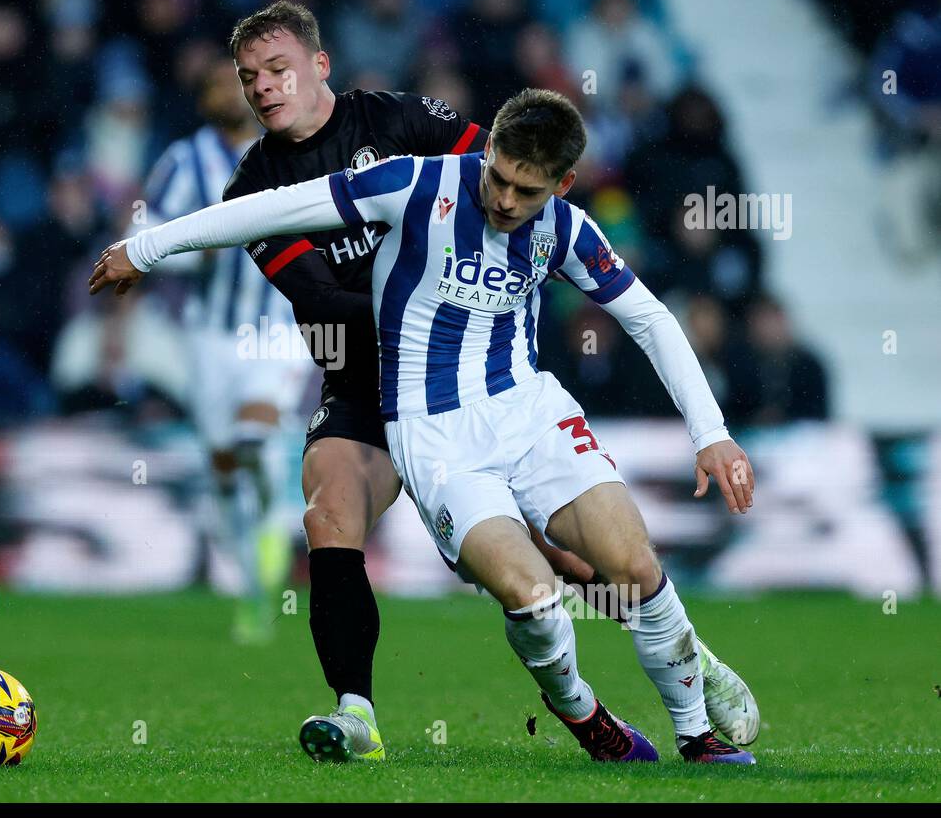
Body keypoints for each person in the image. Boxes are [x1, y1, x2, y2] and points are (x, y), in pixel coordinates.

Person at [91, 87, 759, 765]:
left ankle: (695, 731)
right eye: (497, 176)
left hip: (530, 413)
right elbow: (273, 208)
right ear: (487, 149)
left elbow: (647, 316)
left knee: (634, 563)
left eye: (525, 192)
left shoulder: (568, 229)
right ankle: (579, 708)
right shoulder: (414, 183)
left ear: (561, 184)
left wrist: (711, 432)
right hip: (435, 435)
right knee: (534, 598)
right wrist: (147, 248)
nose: (503, 201)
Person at [141, 56, 310, 642]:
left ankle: (274, 533)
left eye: (237, 81)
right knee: (222, 468)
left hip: (278, 327)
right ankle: (251, 587)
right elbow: (150, 238)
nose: (231, 91)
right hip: (209, 336)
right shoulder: (183, 161)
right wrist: (200, 249)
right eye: (216, 83)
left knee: (256, 438)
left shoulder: (294, 149)